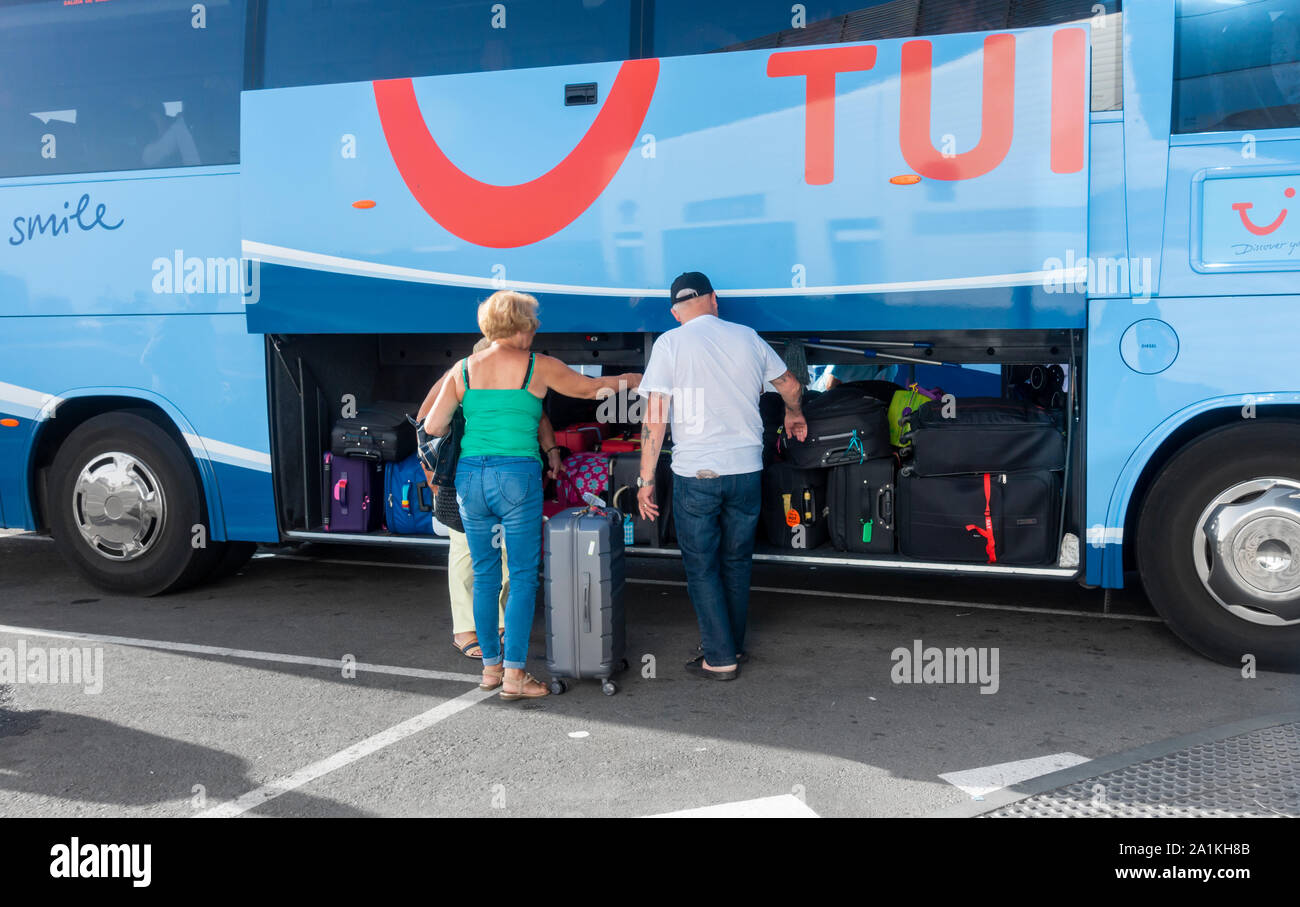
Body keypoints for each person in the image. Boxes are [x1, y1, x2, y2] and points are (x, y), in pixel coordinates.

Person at [424, 290, 640, 700]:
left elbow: (434, 427)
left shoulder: (463, 369)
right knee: (522, 577)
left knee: (486, 576)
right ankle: (515, 676)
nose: (536, 328)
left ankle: (491, 670)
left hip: (471, 477)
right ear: (522, 326)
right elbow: (591, 390)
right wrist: (631, 381)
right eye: (533, 322)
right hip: (516, 476)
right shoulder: (536, 367)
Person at [635, 272, 807, 681]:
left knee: (701, 566)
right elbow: (790, 384)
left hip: (697, 473)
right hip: (746, 469)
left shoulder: (670, 343)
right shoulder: (747, 337)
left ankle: (720, 657)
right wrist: (794, 412)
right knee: (736, 561)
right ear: (714, 299)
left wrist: (645, 480)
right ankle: (732, 644)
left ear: (676, 313)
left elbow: (655, 419)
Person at [415, 338, 565, 660]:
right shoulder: (459, 375)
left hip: (506, 479)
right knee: (467, 557)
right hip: (462, 479)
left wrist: (552, 450)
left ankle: (497, 623)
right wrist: (435, 483)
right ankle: (465, 629)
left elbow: (537, 417)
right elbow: (425, 428)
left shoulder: (517, 378)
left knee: (509, 556)